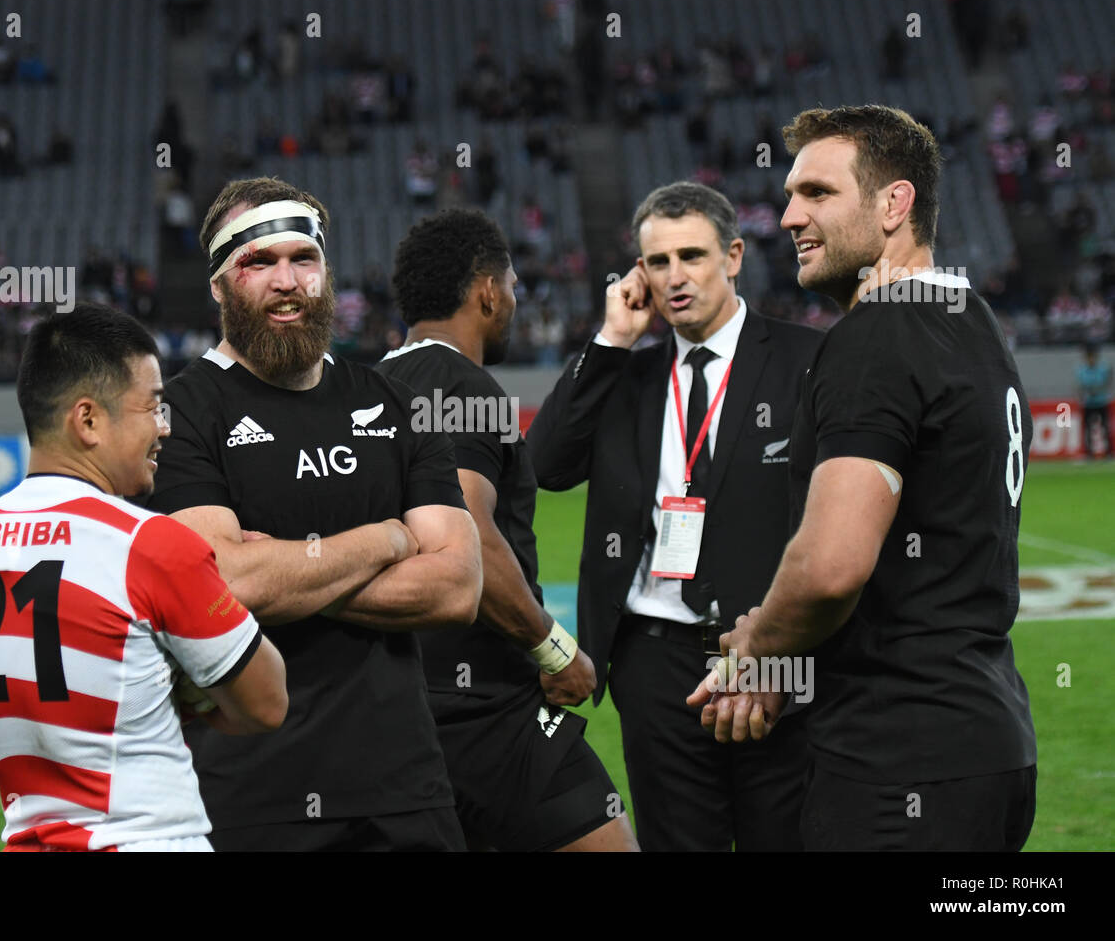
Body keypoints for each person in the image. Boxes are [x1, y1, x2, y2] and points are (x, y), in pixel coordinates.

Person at [689, 104, 1038, 851]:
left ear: (894, 203)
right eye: (789, 195)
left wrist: (756, 653)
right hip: (990, 742)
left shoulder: (876, 334)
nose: (787, 217)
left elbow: (829, 568)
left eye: (816, 193)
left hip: (897, 759)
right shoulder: (970, 320)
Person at [146, 177, 483, 851]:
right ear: (218, 285)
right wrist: (385, 539)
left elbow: (457, 587)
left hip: (405, 789)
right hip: (251, 793)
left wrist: (288, 572)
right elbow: (223, 586)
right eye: (258, 263)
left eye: (303, 258)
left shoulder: (395, 403)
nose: (286, 281)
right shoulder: (179, 415)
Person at [527, 181, 822, 850]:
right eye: (657, 262)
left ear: (735, 255)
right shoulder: (624, 374)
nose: (675, 277)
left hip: (767, 658)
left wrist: (782, 656)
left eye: (692, 255)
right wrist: (610, 339)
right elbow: (545, 465)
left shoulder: (807, 362)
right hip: (652, 662)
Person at [0, 303, 288, 852]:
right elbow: (266, 702)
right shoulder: (148, 543)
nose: (164, 428)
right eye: (153, 407)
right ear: (87, 420)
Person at [377, 209, 638, 851]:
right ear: (486, 291)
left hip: (397, 707)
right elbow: (465, 533)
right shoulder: (466, 385)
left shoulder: (371, 385)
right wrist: (552, 648)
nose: (515, 302)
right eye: (514, 287)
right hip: (488, 711)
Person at [1077, 344, 1113, 458]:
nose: (1091, 360)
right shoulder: (1082, 370)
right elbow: (1081, 386)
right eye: (1089, 357)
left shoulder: (1103, 369)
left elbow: (1106, 383)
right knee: (1087, 428)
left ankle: (1108, 452)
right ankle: (1089, 453)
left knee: (1105, 427)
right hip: (1088, 403)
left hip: (1101, 402)